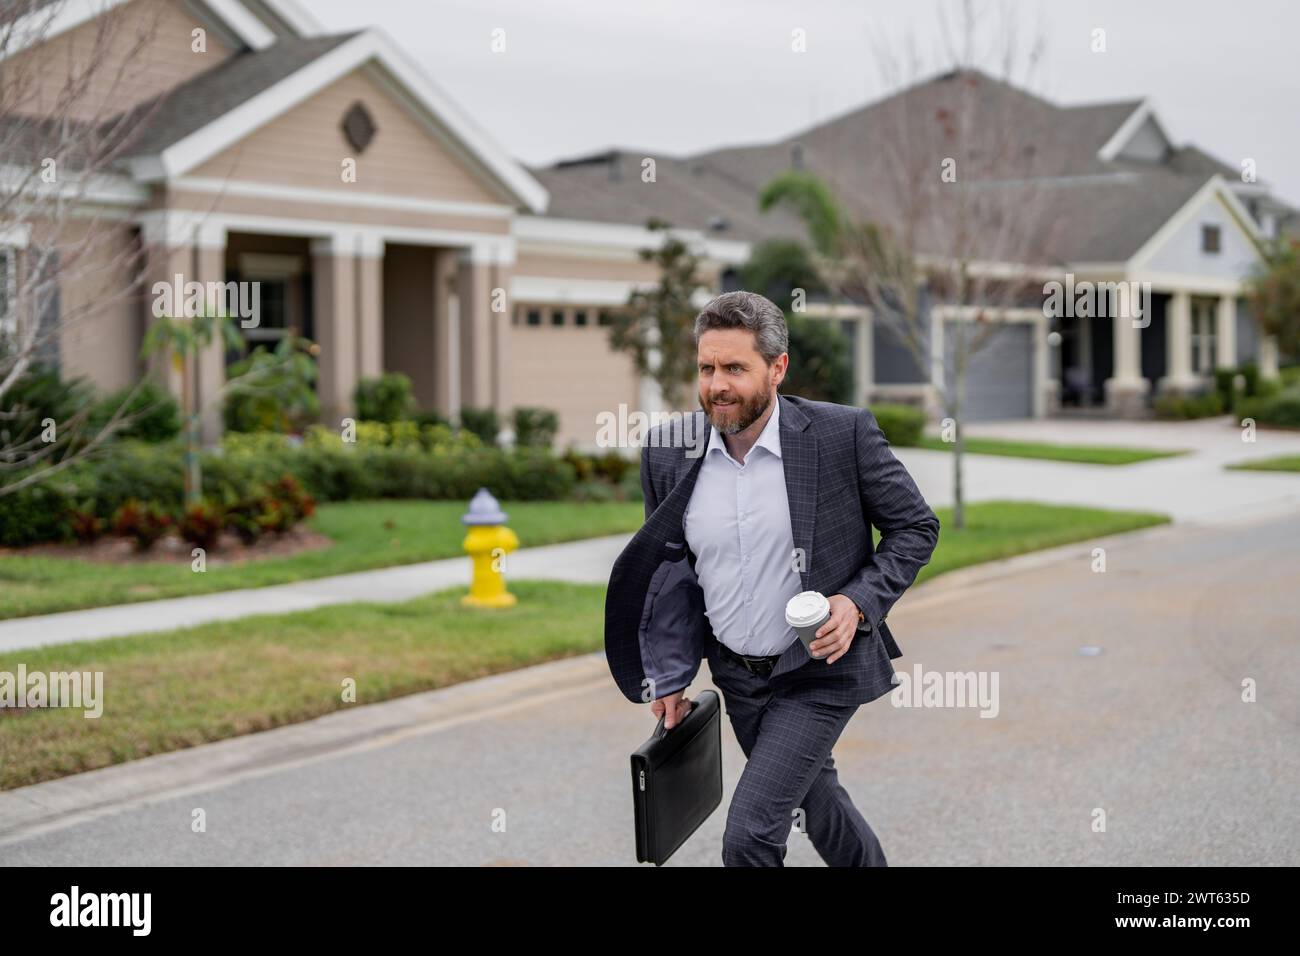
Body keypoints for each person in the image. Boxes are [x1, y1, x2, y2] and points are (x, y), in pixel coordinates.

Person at [605, 290, 941, 866]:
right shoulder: (667, 451)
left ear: (777, 368)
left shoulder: (841, 435)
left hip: (817, 669)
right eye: (706, 368)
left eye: (735, 368)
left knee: (750, 837)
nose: (717, 385)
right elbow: (673, 579)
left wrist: (857, 602)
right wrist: (671, 675)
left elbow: (915, 527)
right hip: (737, 676)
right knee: (819, 803)